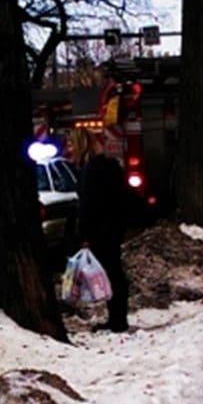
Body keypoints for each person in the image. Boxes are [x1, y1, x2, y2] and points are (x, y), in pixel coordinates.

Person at [75, 127, 131, 332]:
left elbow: (88, 206)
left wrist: (84, 235)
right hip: (113, 227)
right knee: (113, 272)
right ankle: (118, 317)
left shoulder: (91, 171)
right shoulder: (111, 168)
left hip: (100, 230)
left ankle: (117, 320)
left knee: (109, 273)